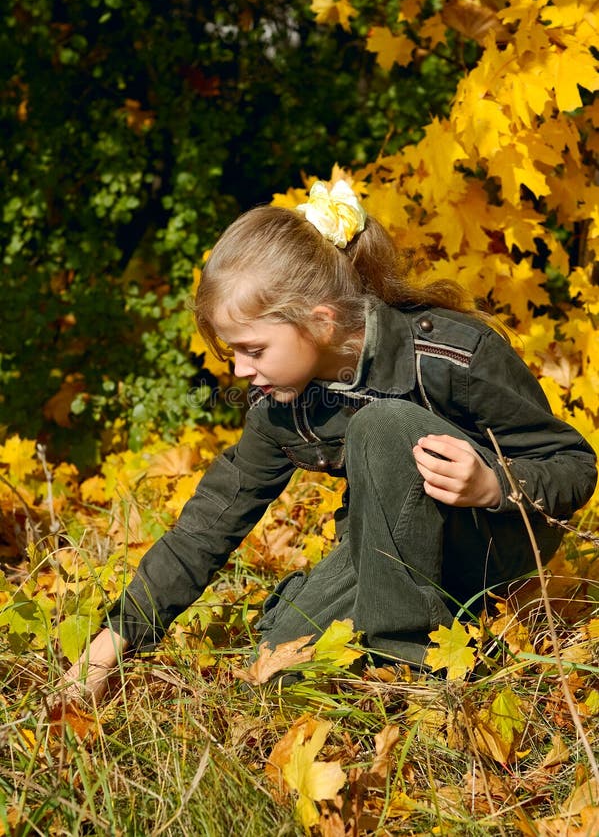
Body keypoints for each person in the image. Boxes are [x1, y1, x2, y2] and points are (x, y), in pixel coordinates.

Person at [60, 179, 597, 702]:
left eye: (253, 349)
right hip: (385, 550)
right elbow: (208, 524)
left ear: (318, 322)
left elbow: (572, 463)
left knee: (382, 425)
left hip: (491, 542)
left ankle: (406, 663)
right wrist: (116, 638)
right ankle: (411, 621)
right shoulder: (280, 408)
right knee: (280, 669)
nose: (242, 371)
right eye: (234, 355)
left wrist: (493, 483)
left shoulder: (452, 355)